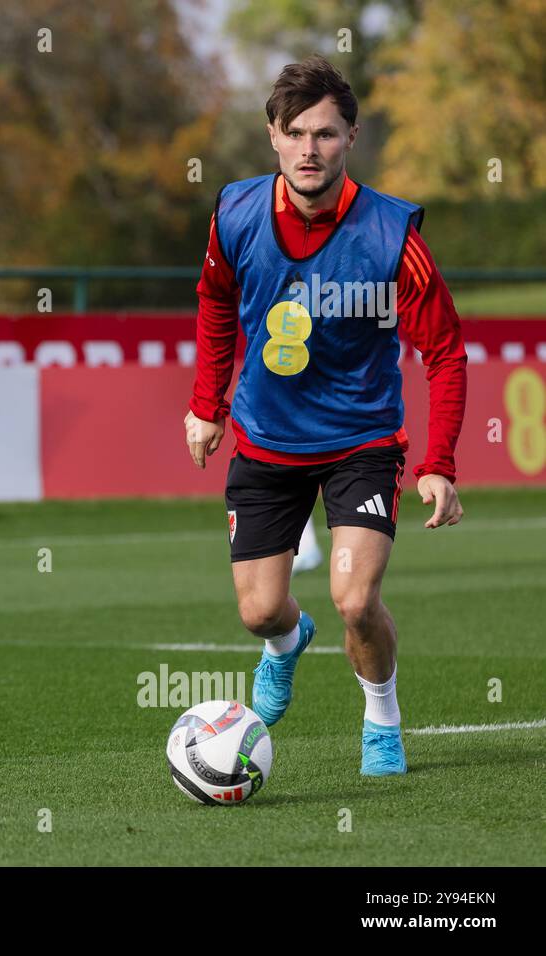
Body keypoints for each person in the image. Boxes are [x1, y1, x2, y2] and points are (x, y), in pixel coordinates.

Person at [183, 55, 467, 775]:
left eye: (328, 134)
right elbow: (215, 303)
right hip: (267, 440)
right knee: (258, 613)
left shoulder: (393, 236)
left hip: (361, 444)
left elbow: (446, 352)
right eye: (297, 132)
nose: (311, 149)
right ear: (273, 137)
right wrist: (205, 404)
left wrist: (438, 464)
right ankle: (287, 642)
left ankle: (381, 718)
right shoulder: (236, 215)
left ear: (352, 138)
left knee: (355, 598)